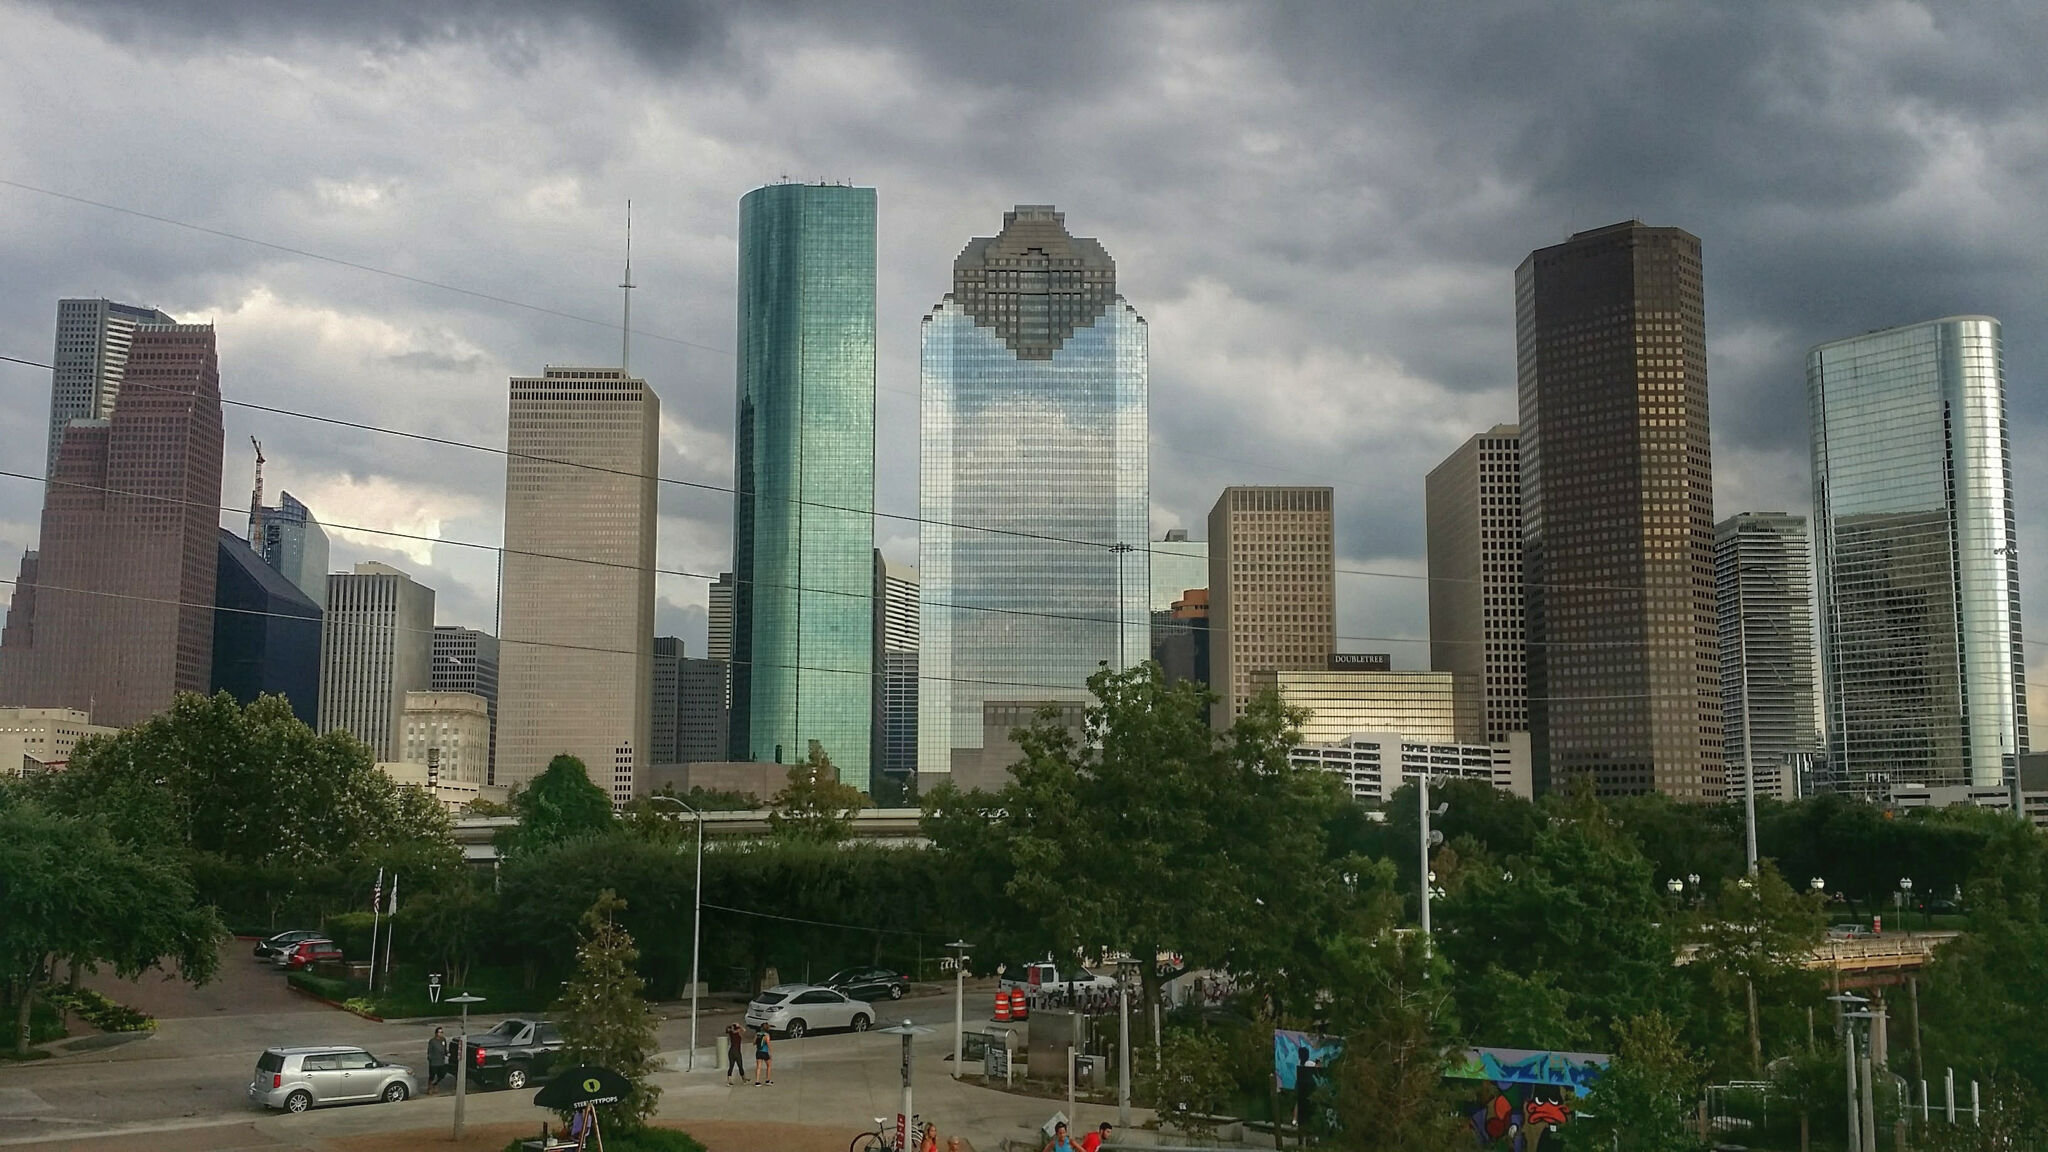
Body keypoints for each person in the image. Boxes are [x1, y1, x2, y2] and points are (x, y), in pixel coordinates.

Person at [425, 1027, 448, 1094]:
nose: (441, 1034)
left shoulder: (443, 1040)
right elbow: (429, 1051)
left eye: (441, 1032)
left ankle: (435, 1084)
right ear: (436, 1033)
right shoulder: (432, 1041)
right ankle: (430, 1087)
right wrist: (430, 1059)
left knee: (442, 1074)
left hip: (441, 1061)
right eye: (439, 1032)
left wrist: (447, 1053)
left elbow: (445, 1048)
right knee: (432, 1076)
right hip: (434, 1062)